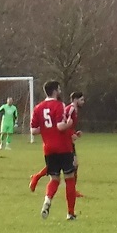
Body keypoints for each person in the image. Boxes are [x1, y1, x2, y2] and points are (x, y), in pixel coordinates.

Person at [30, 79, 78, 219]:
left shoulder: (38, 108)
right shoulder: (59, 105)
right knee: (69, 179)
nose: (60, 91)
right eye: (59, 89)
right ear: (55, 91)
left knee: (54, 179)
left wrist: (46, 129)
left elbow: (33, 130)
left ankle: (47, 200)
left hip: (48, 148)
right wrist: (69, 124)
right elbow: (60, 126)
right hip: (63, 147)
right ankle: (70, 213)